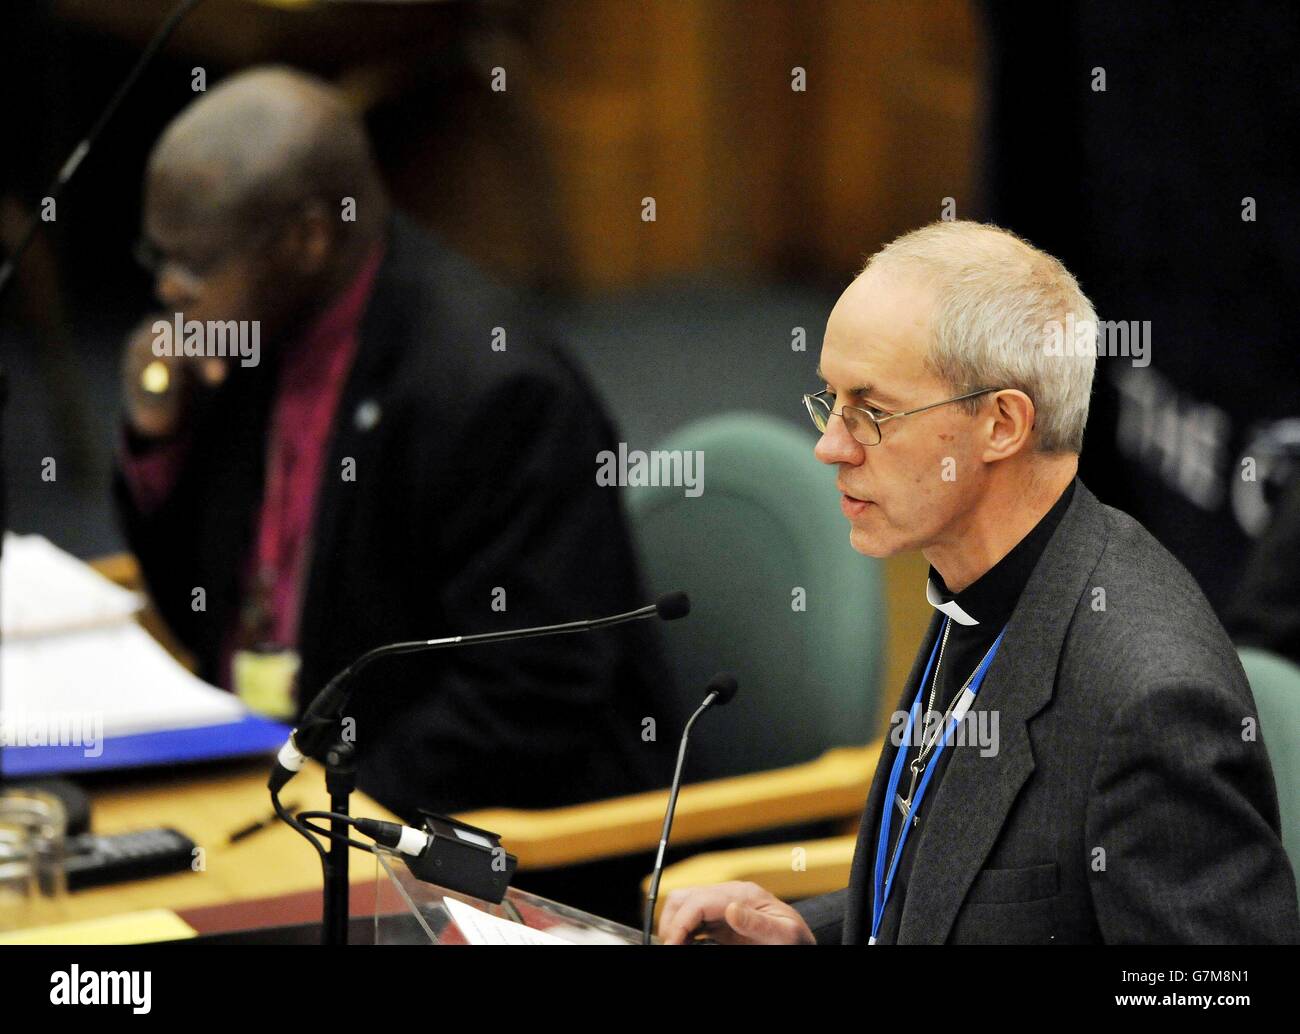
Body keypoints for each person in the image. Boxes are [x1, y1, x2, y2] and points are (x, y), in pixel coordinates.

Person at [659, 221, 1300, 944]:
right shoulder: (980, 570)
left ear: (1000, 425)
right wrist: (815, 932)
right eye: (828, 401)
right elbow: (962, 882)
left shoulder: (1149, 700)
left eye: (870, 412)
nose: (830, 445)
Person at [114, 66, 672, 821]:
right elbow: (203, 615)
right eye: (158, 259)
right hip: (267, 779)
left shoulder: (494, 390)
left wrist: (328, 808)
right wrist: (161, 435)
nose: (170, 292)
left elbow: (536, 693)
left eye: (195, 263)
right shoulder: (245, 338)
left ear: (306, 239)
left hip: (459, 836)